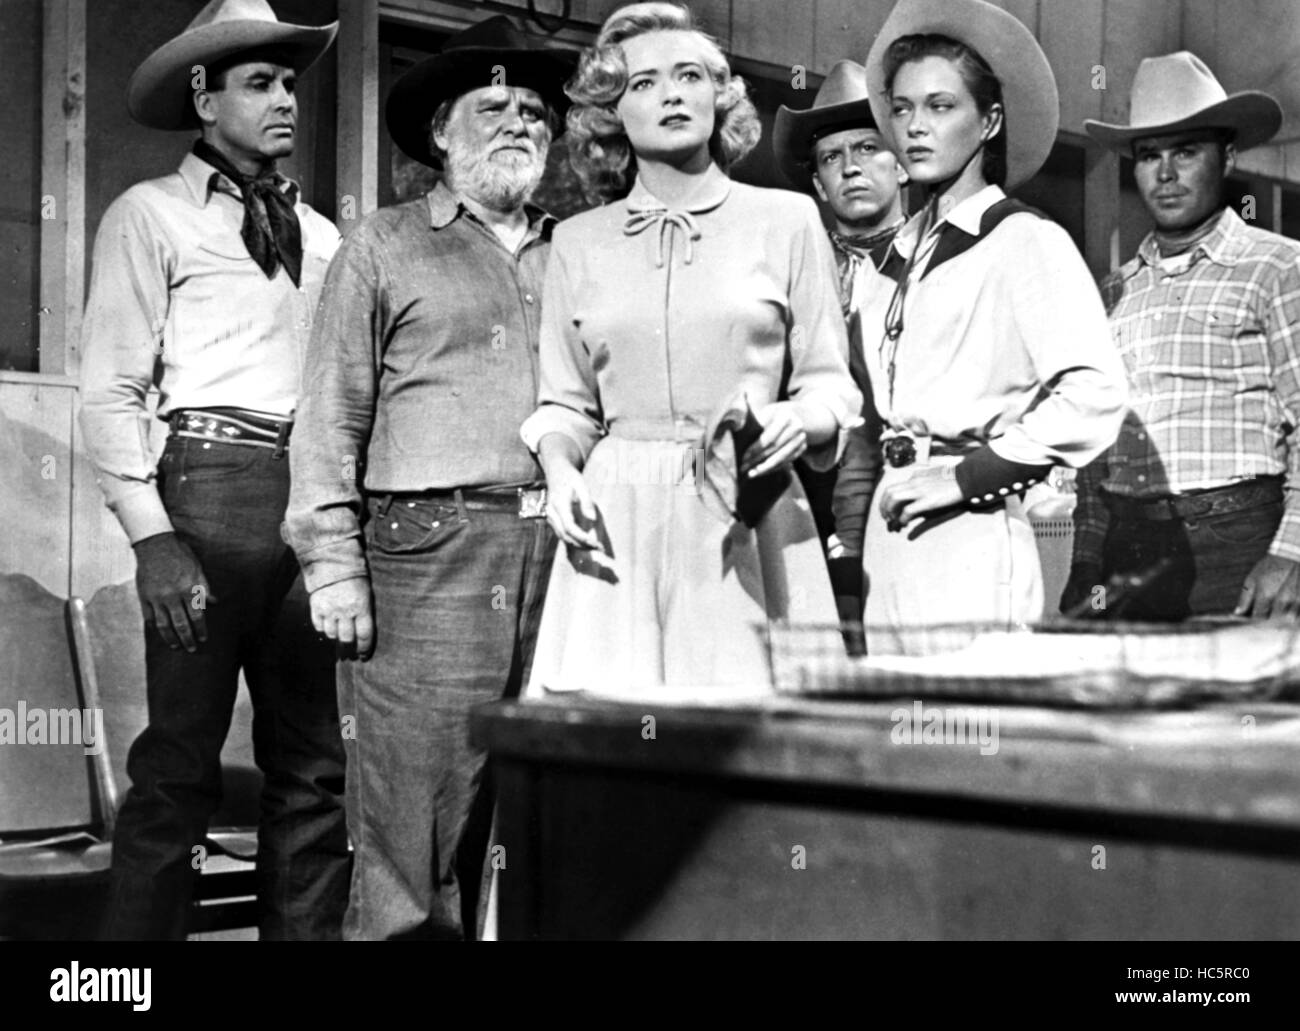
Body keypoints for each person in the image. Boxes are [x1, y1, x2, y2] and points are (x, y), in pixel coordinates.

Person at [283, 16, 569, 940]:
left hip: (564, 556)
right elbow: (330, 412)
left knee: (538, 813)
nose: (518, 123)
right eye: (493, 107)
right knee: (414, 822)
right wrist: (333, 566)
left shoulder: (583, 252)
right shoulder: (383, 245)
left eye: (533, 109)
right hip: (427, 554)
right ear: (441, 132)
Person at [79, 0, 348, 939]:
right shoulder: (148, 216)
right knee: (180, 764)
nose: (285, 102)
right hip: (204, 490)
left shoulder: (323, 238)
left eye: (290, 85)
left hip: (312, 501)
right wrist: (154, 538)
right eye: (260, 84)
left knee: (316, 768)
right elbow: (109, 391)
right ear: (204, 97)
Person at [520, 2, 861, 697]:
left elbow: (833, 384)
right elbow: (564, 403)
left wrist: (802, 420)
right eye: (643, 83)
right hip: (618, 521)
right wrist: (560, 474)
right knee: (619, 761)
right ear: (612, 114)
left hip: (751, 513)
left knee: (748, 753)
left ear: (720, 95)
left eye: (690, 75)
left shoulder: (789, 220)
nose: (671, 93)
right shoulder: (577, 243)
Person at [837, 0, 1127, 655]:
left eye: (941, 107)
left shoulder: (1024, 241)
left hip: (973, 529)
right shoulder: (888, 263)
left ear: (989, 120)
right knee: (892, 739)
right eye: (903, 108)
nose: (915, 127)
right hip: (892, 533)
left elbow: (1096, 392)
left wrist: (970, 476)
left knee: (970, 735)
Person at [1063, 53, 1300, 621]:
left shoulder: (1277, 267)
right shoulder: (1113, 291)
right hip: (1126, 547)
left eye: (1186, 151)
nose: (1165, 174)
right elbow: (1096, 446)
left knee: (1233, 707)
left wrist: (1290, 554)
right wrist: (1085, 562)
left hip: (1236, 544)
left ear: (1228, 156)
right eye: (1149, 156)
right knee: (1122, 708)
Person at [773, 60, 908, 650]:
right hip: (811, 507)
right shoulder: (792, 270)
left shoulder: (941, 258)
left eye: (868, 148)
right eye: (832, 158)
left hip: (917, 501)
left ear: (902, 162)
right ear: (817, 184)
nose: (850, 166)